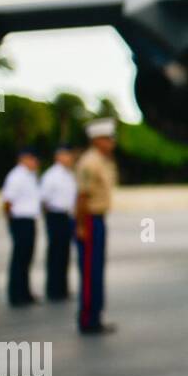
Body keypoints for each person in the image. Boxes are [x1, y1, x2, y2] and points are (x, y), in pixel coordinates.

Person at [75, 119, 118, 334]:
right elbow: (82, 197)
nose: (112, 142)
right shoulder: (90, 163)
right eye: (108, 138)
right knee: (91, 271)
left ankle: (95, 316)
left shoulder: (102, 160)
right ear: (97, 140)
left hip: (98, 219)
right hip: (90, 220)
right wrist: (81, 226)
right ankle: (88, 319)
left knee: (97, 269)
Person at [1, 147, 41, 306]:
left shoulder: (30, 176)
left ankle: (24, 292)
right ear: (24, 159)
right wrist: (11, 222)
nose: (36, 162)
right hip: (19, 221)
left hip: (29, 220)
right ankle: (16, 294)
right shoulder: (16, 176)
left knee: (26, 258)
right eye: (33, 158)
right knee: (19, 259)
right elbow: (7, 202)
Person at [40, 145, 78, 301]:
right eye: (67, 155)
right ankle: (53, 289)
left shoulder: (68, 174)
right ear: (58, 157)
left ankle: (62, 288)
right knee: (55, 253)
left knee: (64, 253)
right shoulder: (51, 175)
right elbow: (44, 199)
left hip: (67, 216)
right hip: (55, 215)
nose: (70, 158)